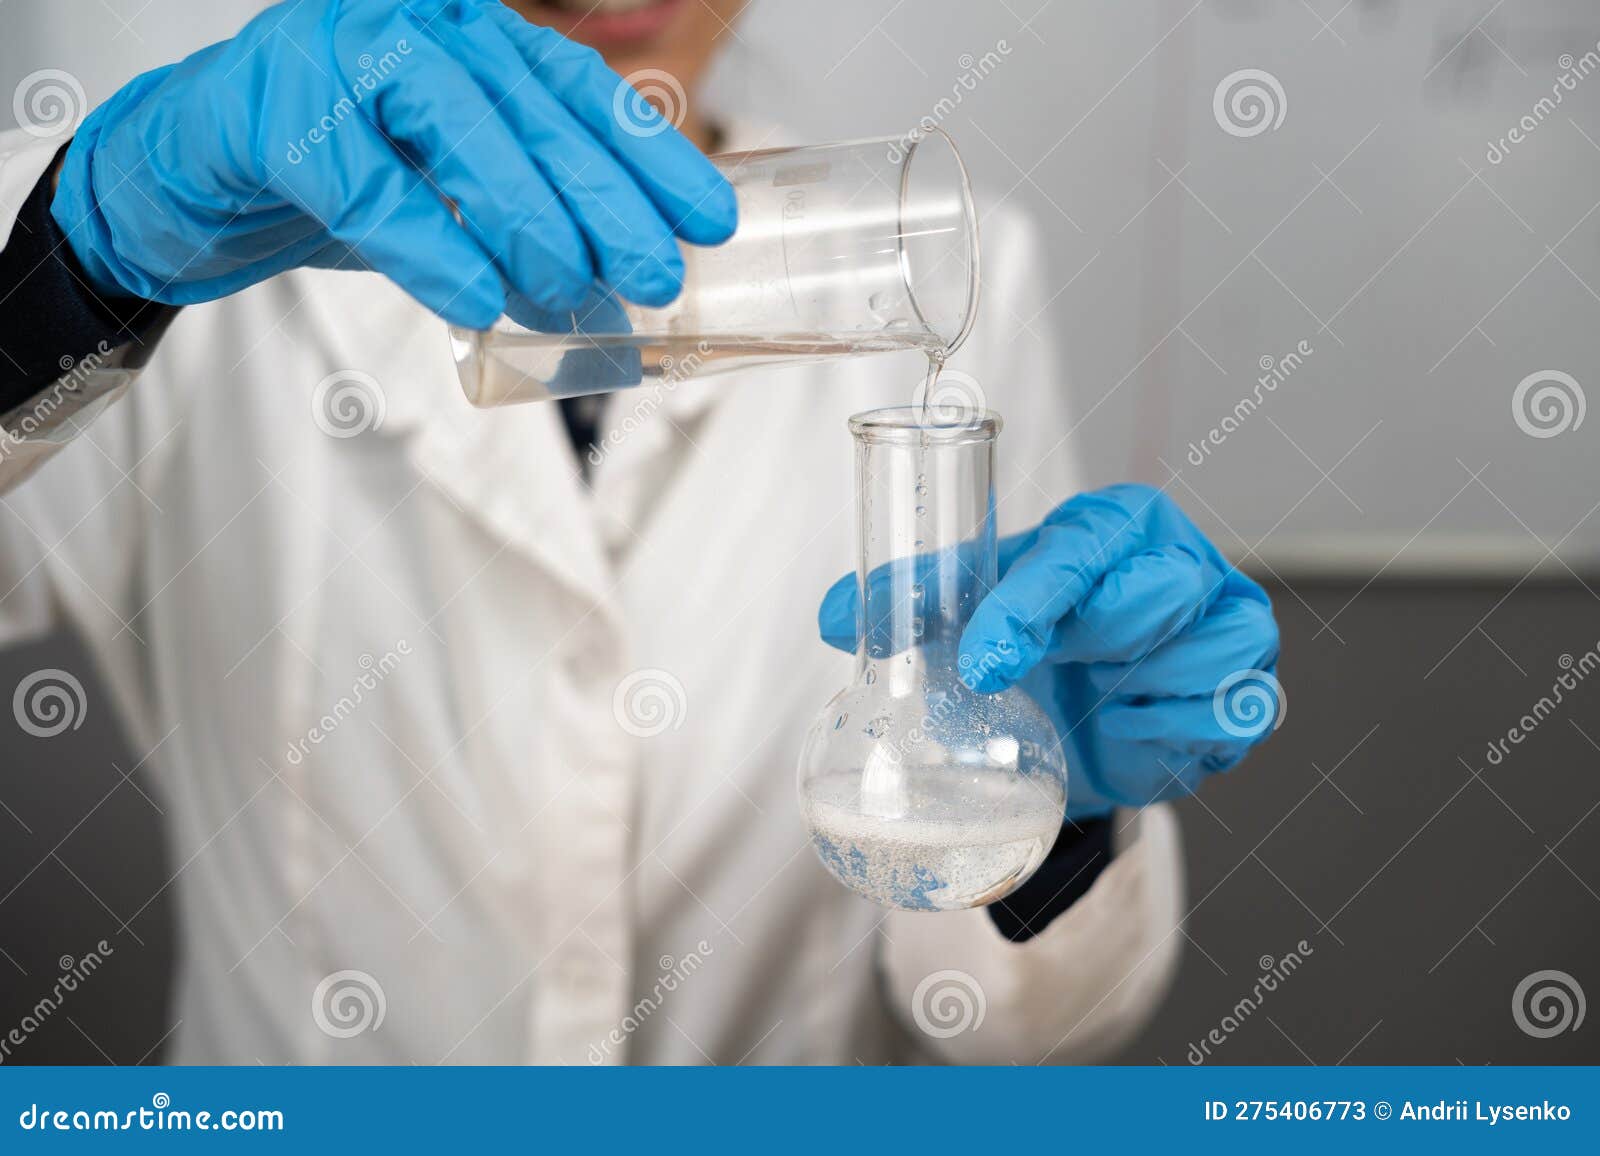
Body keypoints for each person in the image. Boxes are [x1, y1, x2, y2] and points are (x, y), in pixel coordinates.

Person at [0, 0, 1280, 1064]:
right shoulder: (215, 240)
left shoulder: (954, 271)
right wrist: (79, 259)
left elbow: (1012, 1023)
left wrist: (1050, 804)